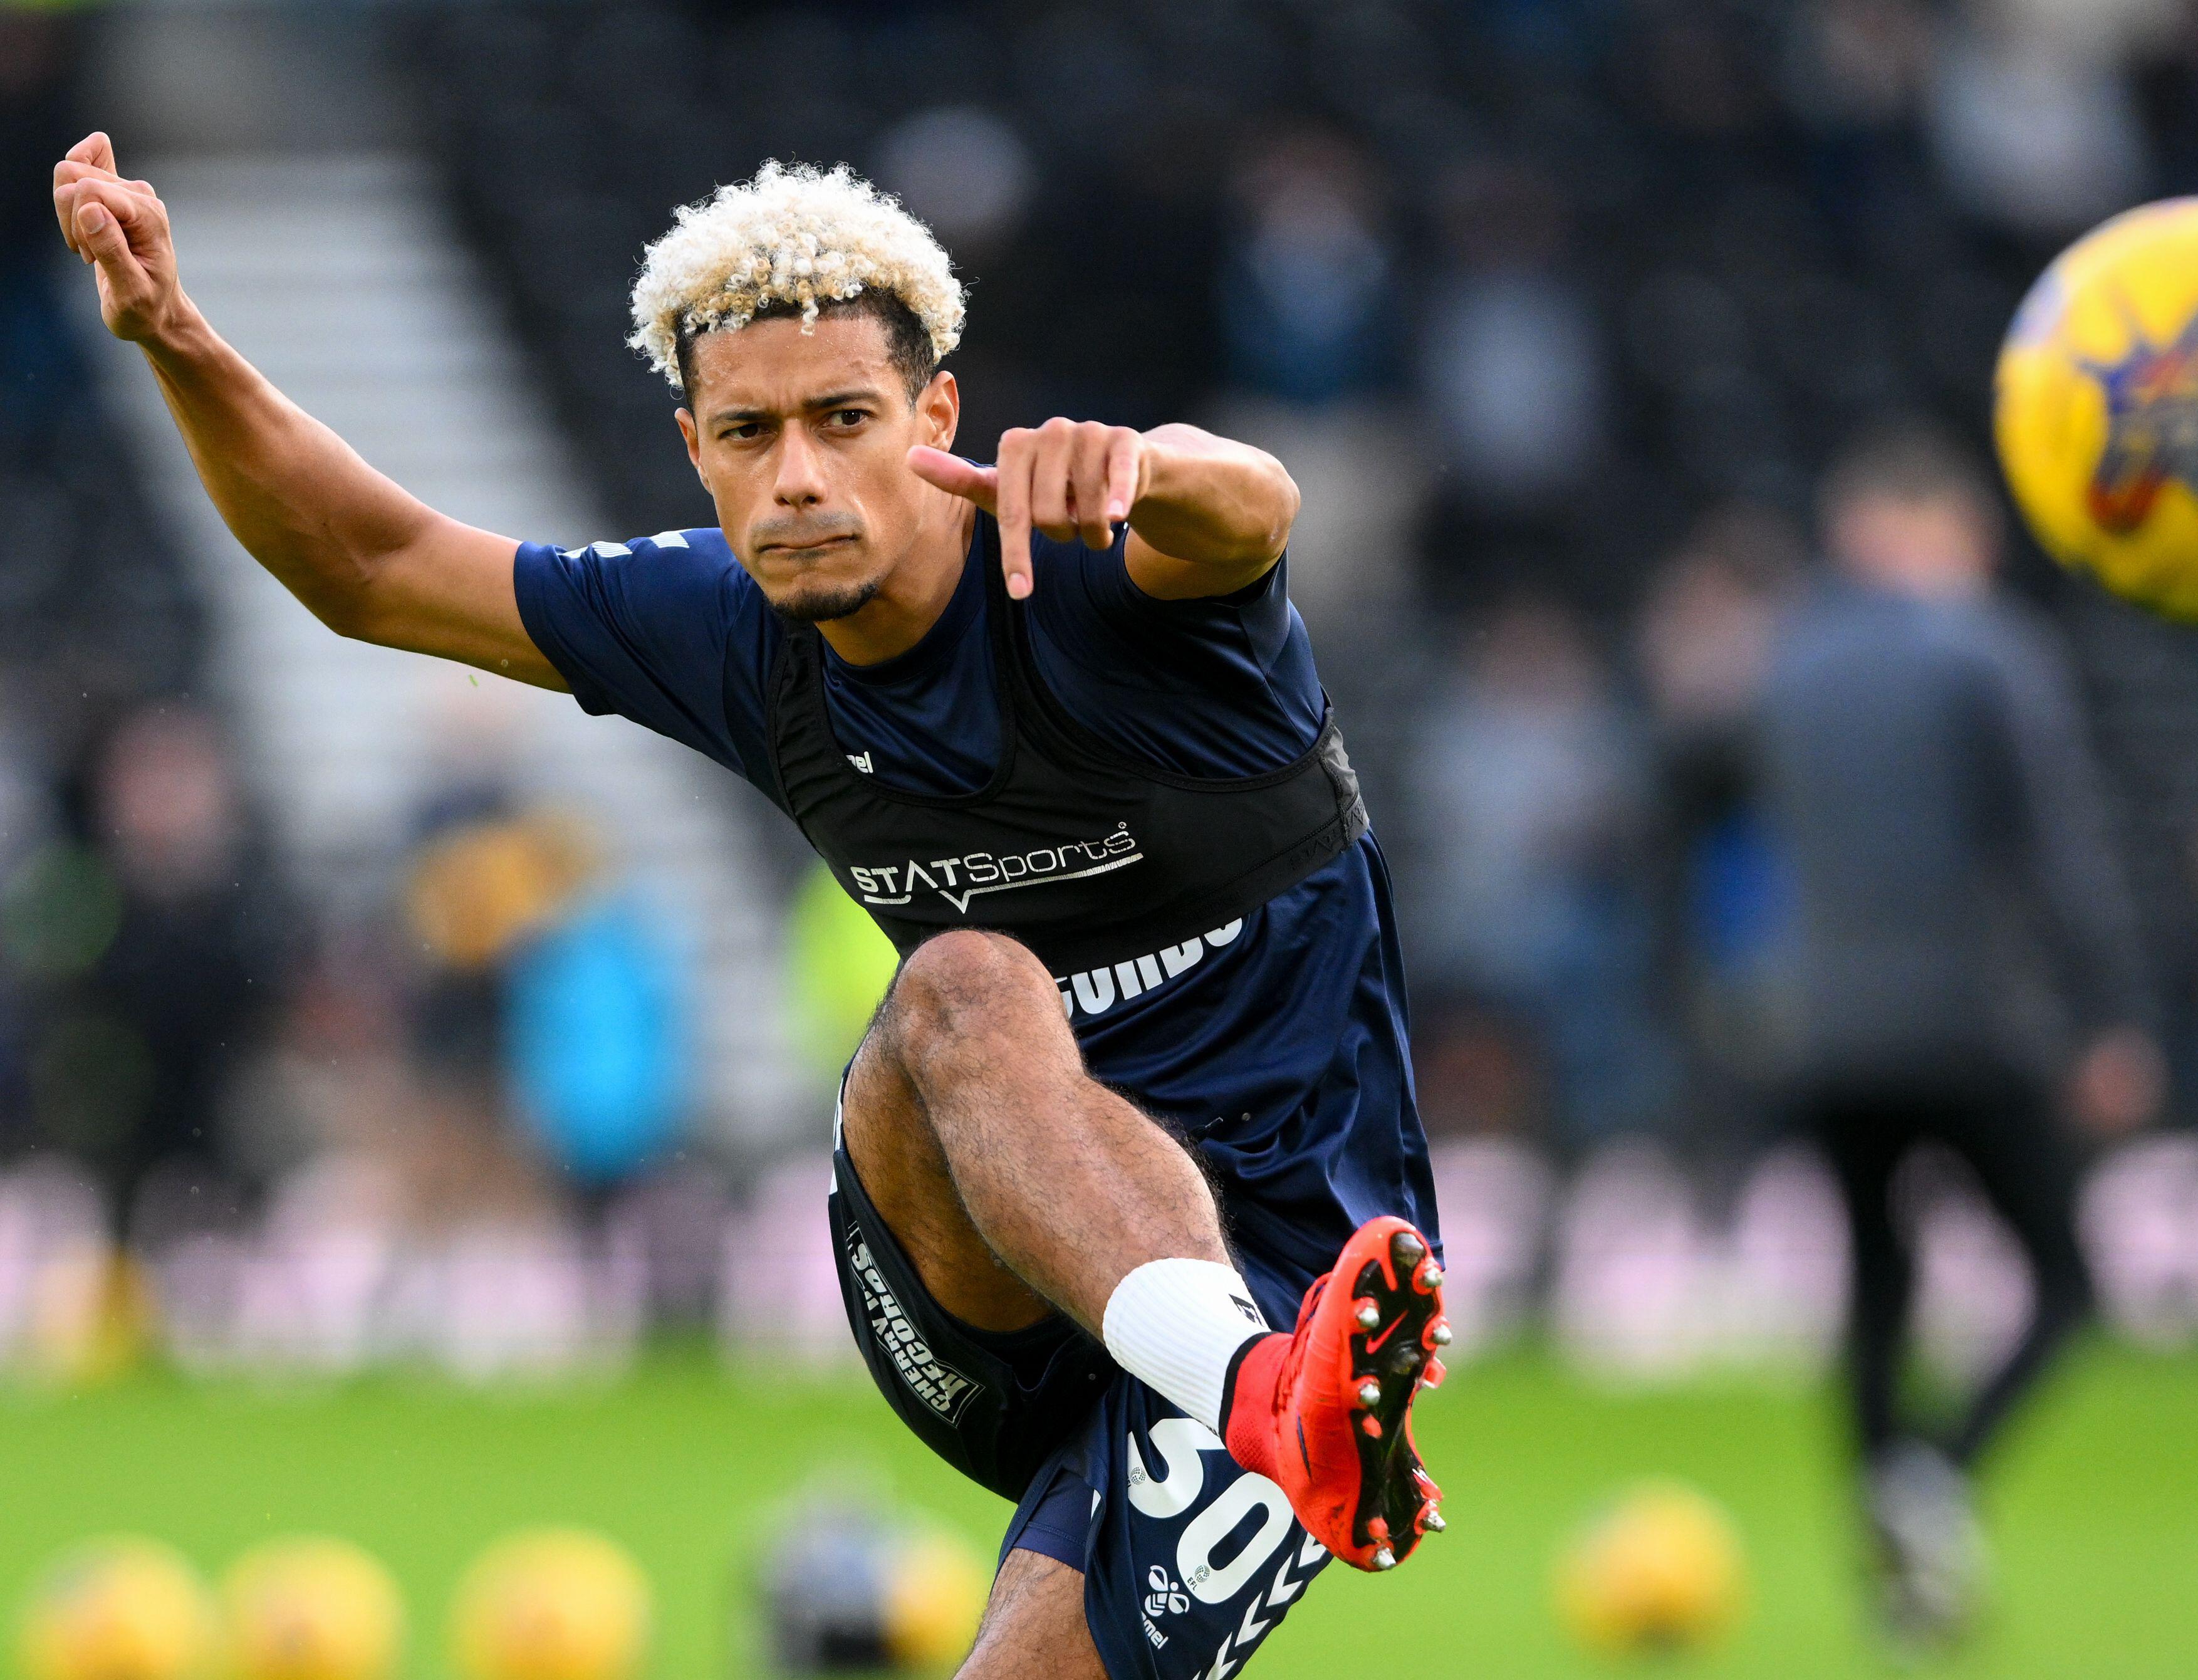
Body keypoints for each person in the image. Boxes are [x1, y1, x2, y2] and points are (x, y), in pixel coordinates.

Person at [58, 136, 1448, 1680]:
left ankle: (1254, 1380)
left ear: (935, 416)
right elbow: (371, 565)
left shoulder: (1101, 568)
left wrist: (1150, 465)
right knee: (964, 985)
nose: (797, 476)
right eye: (750, 432)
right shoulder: (722, 624)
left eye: (844, 420)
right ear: (695, 447)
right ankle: (1258, 1396)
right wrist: (175, 338)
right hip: (997, 1271)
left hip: (1292, 1259)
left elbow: (1252, 514)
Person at [1758, 428, 2160, 1647]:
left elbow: (1698, 803)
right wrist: (2109, 1015)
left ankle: (1901, 1584)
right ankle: (1934, 1479)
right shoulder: (1987, 649)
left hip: (1823, 1029)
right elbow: (2059, 849)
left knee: (1878, 1287)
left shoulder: (1787, 664)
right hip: (1968, 1023)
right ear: (1936, 524)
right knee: (2064, 1280)